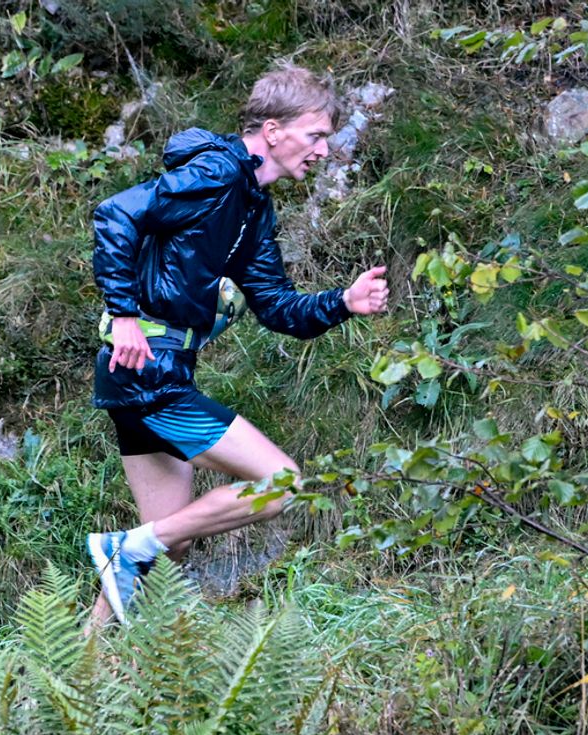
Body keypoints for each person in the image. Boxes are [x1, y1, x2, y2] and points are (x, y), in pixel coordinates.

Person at [87, 65, 389, 629]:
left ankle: (81, 663)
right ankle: (123, 549)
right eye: (316, 135)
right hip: (147, 368)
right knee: (280, 484)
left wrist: (343, 302)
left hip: (143, 371)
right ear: (273, 130)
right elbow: (115, 215)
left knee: (164, 552)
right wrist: (125, 314)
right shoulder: (219, 172)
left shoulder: (253, 206)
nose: (324, 150)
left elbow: (276, 305)